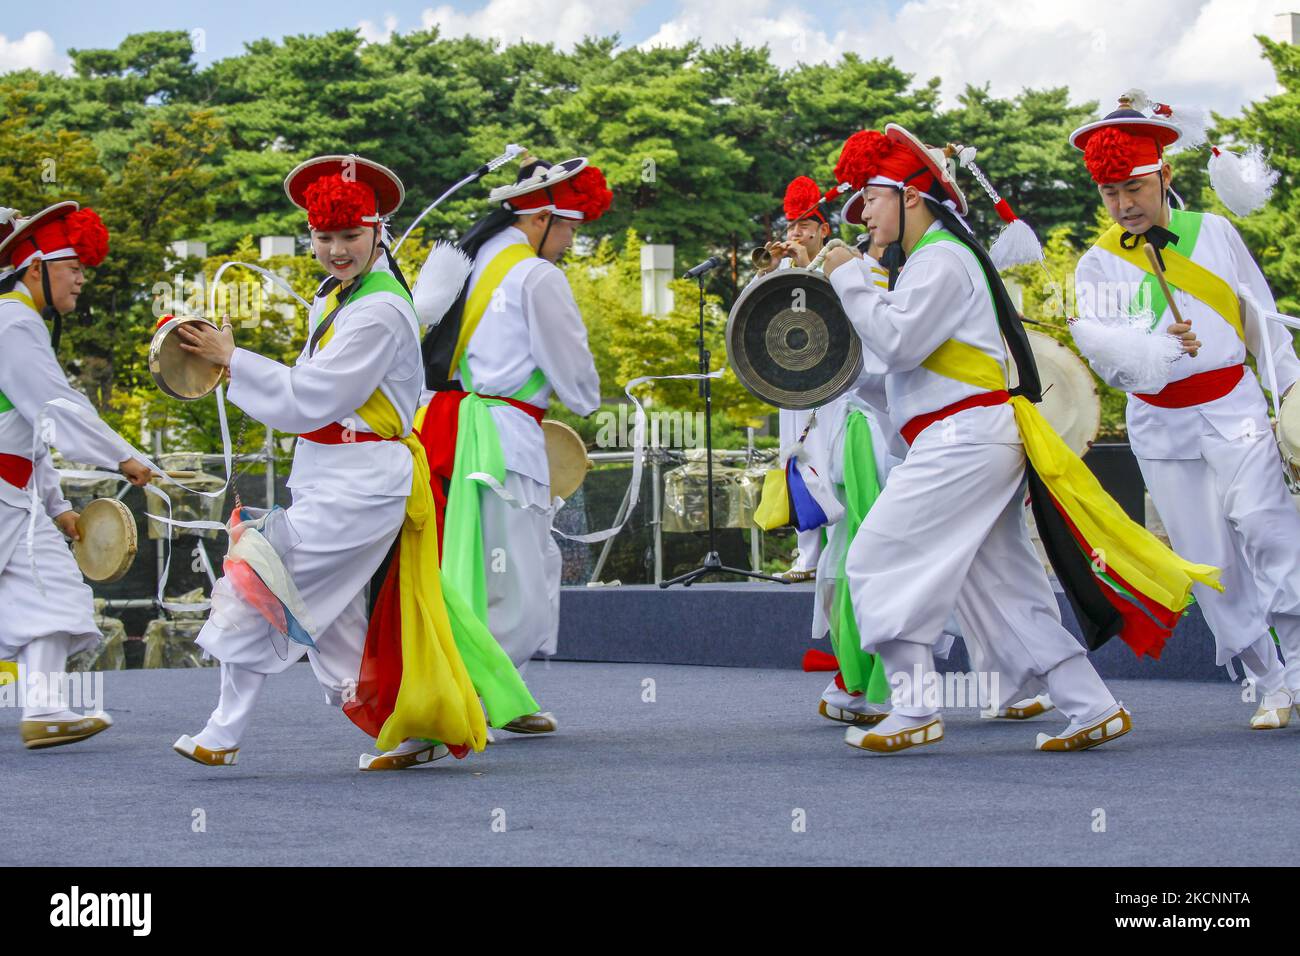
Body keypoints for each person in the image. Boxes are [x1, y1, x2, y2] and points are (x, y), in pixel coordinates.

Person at [821, 125, 1220, 753]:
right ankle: (1091, 706)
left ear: (911, 197)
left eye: (869, 197)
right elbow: (894, 375)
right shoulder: (932, 263)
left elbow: (896, 343)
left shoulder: (942, 260)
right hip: (966, 437)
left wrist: (848, 281)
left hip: (965, 439)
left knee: (877, 557)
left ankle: (914, 706)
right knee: (1001, 585)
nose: (862, 213)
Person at [172, 155, 534, 771]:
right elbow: (315, 393)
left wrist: (234, 360)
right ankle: (414, 725)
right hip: (337, 479)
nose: (336, 249)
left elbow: (312, 398)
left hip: (363, 487)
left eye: (349, 236)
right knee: (341, 624)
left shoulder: (378, 310)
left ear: (377, 234)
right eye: (324, 237)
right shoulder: (341, 297)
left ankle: (222, 731)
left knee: (257, 581)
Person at [1069, 94, 1300, 729]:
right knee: (1209, 558)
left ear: (1165, 176)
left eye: (1135, 186)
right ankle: (1269, 680)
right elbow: (1111, 364)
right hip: (1159, 424)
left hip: (1234, 404)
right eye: (1111, 192)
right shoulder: (1097, 264)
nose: (1124, 204)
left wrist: (1292, 396)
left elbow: (1263, 322)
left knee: (1268, 525)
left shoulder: (1217, 234)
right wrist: (1160, 349)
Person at [417, 154, 608, 737]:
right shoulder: (535, 275)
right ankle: (480, 692)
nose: (571, 241)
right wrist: (586, 396)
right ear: (541, 218)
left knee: (472, 568)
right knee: (522, 577)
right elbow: (579, 386)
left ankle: (495, 691)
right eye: (570, 227)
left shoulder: (477, 260)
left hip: (453, 427)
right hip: (507, 440)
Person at [0, 201, 153, 749]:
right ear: (37, 267)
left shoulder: (19, 322)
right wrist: (123, 456)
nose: (82, 280)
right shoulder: (13, 322)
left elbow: (27, 430)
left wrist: (58, 505)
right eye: (75, 268)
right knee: (51, 590)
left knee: (54, 589)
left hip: (13, 493)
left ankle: (43, 710)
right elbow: (55, 410)